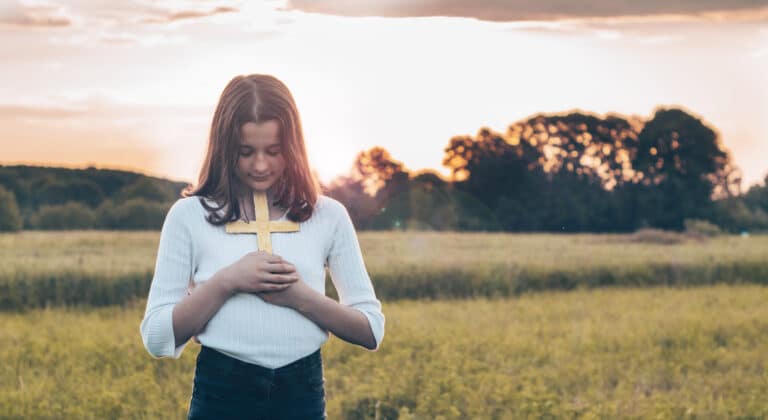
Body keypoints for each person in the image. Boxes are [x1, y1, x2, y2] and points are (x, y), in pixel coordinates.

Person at [139, 74, 385, 419]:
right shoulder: (189, 216)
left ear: (294, 146)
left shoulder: (328, 215)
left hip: (302, 395)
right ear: (225, 149)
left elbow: (370, 329)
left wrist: (300, 297)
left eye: (273, 151)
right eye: (245, 152)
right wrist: (227, 282)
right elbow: (156, 335)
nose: (260, 165)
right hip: (222, 395)